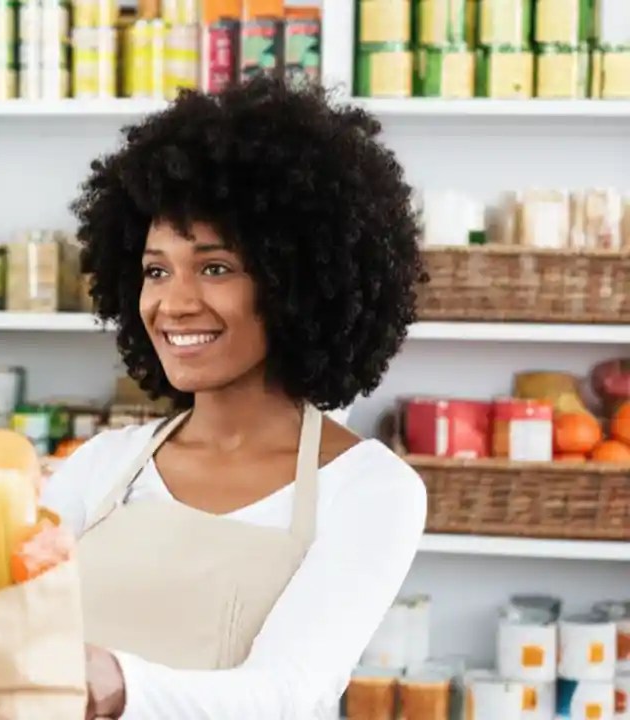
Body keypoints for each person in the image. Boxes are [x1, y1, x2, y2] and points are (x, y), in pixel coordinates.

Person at [45, 77, 429, 720]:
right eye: (156, 269)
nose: (174, 302)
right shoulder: (102, 466)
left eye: (215, 267)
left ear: (296, 283)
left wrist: (119, 684)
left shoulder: (369, 489)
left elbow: (288, 691)